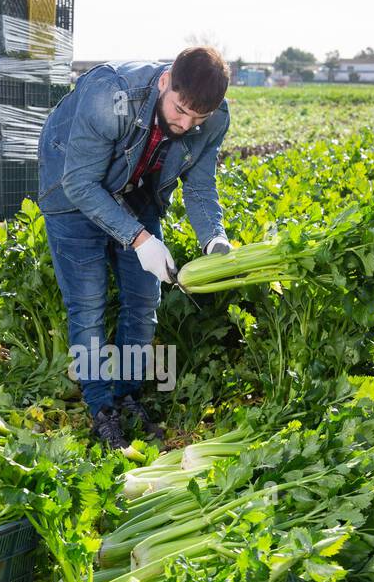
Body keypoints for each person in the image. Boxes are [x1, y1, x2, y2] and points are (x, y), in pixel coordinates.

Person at [37, 47, 232, 449]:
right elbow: (81, 184)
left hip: (135, 189)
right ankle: (101, 409)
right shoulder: (112, 97)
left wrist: (214, 238)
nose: (184, 124)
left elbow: (199, 185)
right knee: (88, 304)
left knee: (143, 300)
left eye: (198, 119)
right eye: (179, 111)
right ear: (164, 82)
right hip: (72, 187)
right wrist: (140, 239)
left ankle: (127, 396)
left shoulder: (211, 120)